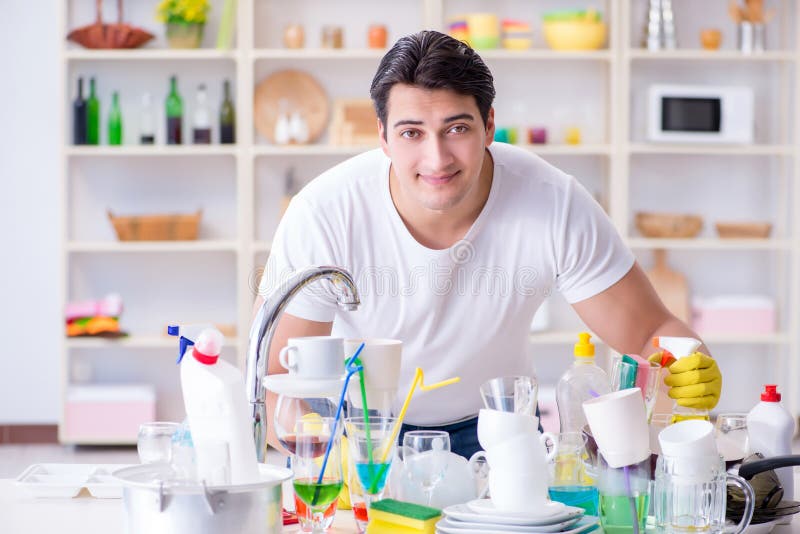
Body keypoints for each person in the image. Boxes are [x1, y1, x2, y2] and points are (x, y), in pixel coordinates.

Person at [255, 30, 722, 459]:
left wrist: (689, 360)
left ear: (489, 125)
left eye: (457, 128)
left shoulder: (553, 202)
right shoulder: (323, 211)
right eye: (411, 133)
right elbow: (274, 384)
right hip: (353, 429)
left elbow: (649, 330)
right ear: (382, 136)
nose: (436, 158)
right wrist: (328, 457)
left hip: (497, 432)